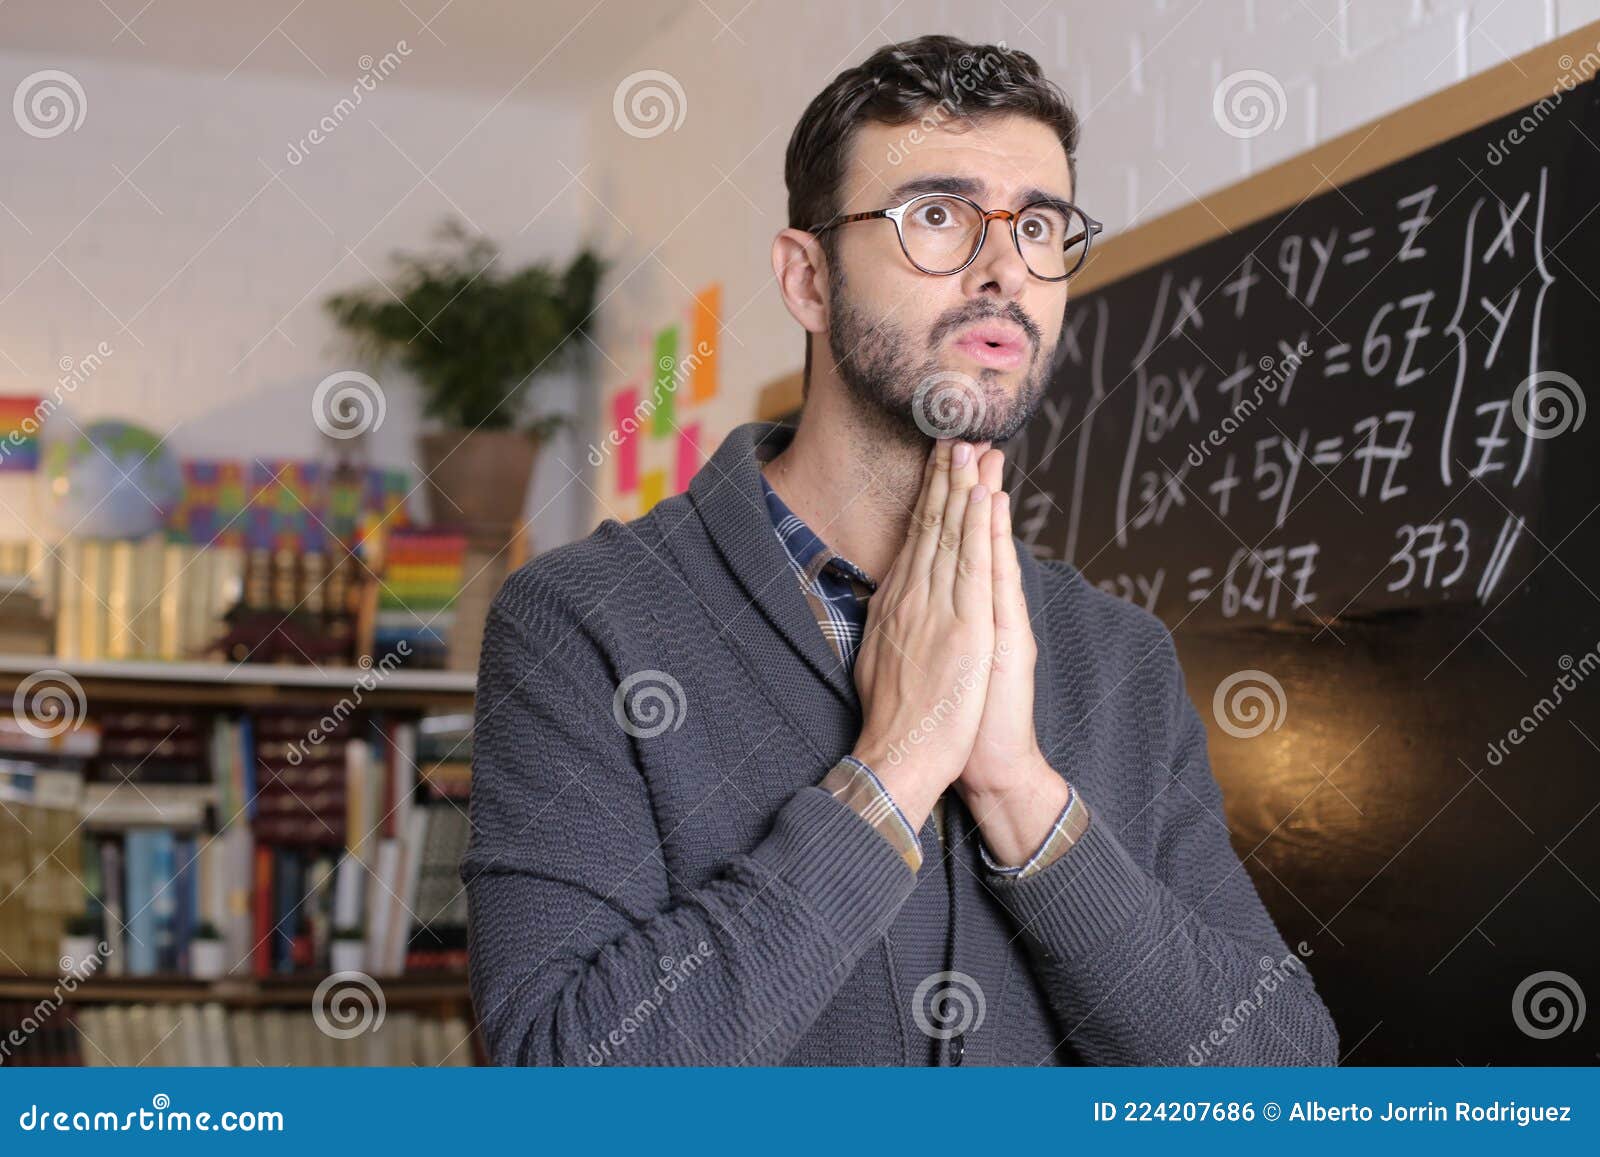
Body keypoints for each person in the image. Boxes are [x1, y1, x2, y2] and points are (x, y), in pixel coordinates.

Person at [461, 33, 1339, 1067]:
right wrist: (895, 769)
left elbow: (1281, 1078)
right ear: (808, 279)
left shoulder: (1119, 657)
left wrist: (1018, 790)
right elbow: (561, 1085)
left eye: (1041, 225)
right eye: (936, 216)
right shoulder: (583, 619)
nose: (1004, 265)